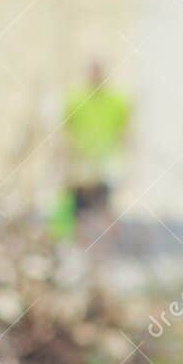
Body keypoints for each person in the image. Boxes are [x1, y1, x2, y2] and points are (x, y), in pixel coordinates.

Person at [63, 62, 131, 249]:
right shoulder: (76, 100)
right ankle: (81, 249)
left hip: (106, 164)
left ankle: (107, 250)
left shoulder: (116, 101)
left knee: (104, 208)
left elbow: (124, 132)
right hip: (81, 165)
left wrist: (125, 163)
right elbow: (66, 132)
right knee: (79, 211)